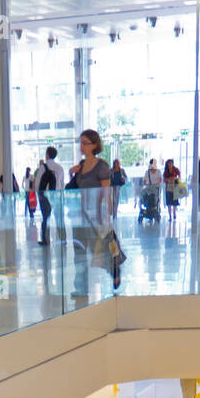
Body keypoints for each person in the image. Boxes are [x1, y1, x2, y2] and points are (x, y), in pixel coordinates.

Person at [68, 129, 114, 301]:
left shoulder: (101, 166)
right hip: (80, 216)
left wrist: (105, 217)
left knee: (102, 251)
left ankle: (114, 272)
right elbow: (75, 188)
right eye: (80, 142)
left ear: (94, 145)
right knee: (79, 253)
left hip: (95, 217)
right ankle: (80, 288)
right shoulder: (80, 166)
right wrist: (73, 173)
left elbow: (105, 192)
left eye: (85, 143)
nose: (81, 146)